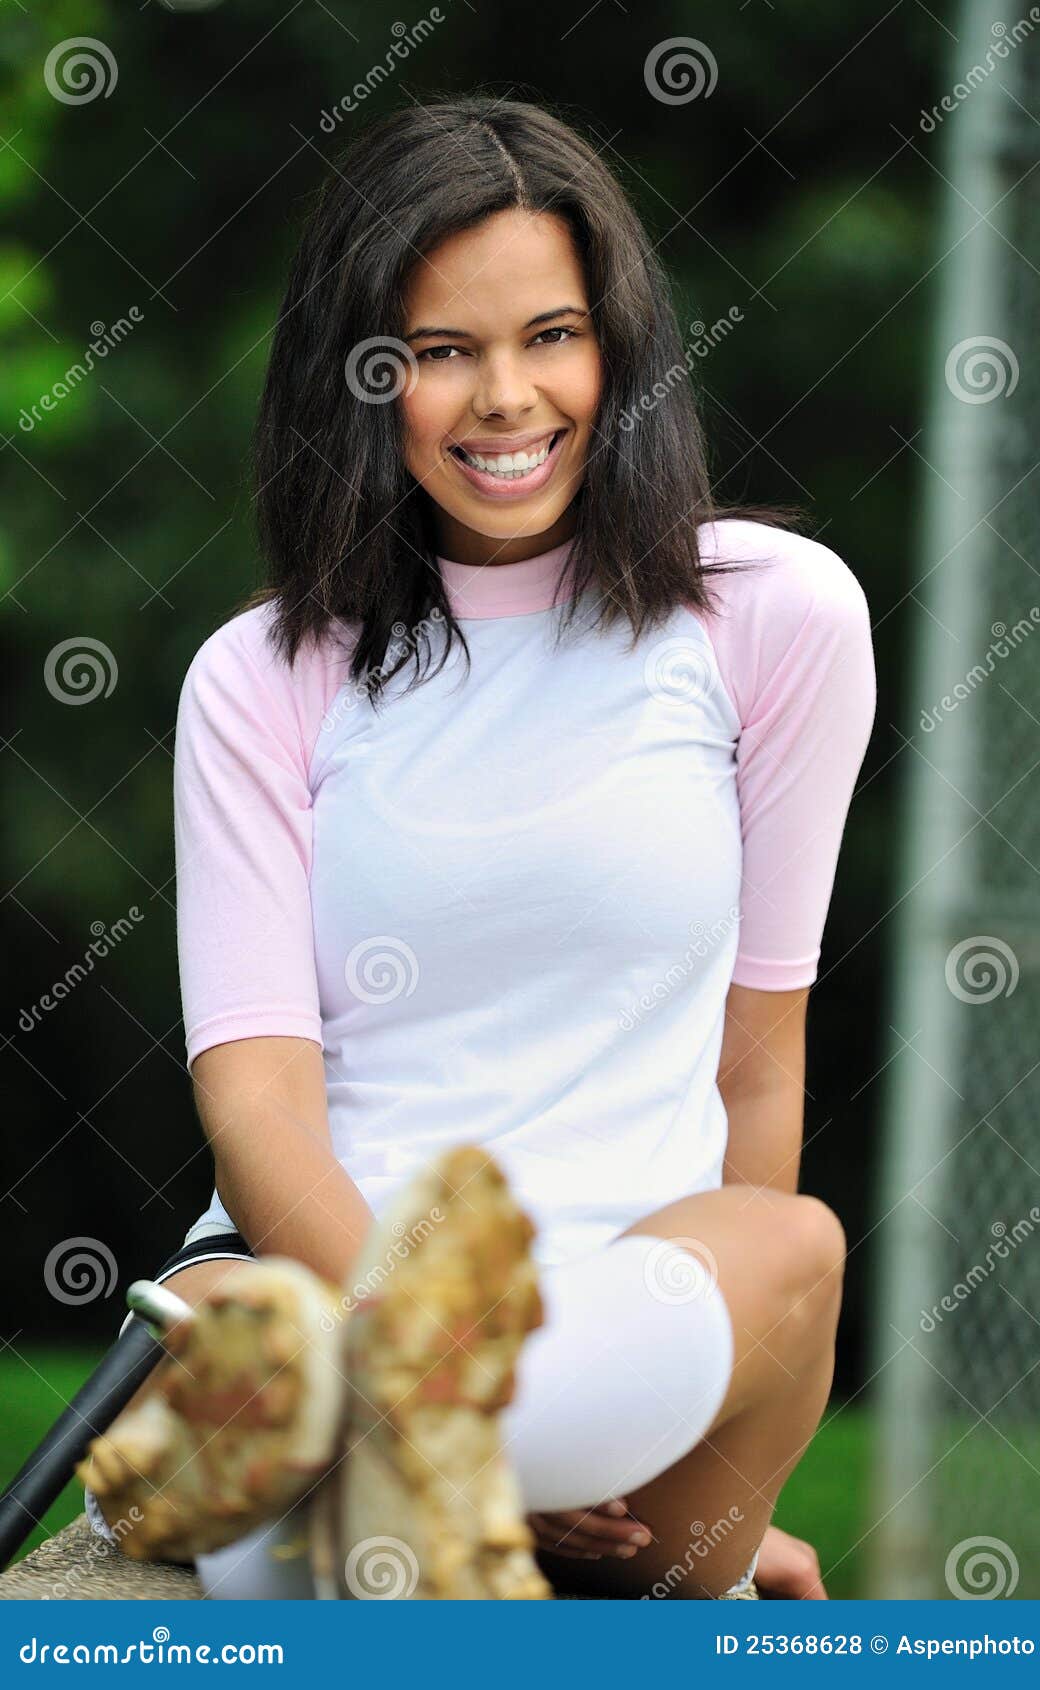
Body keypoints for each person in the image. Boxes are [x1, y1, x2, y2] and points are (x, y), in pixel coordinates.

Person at [83, 94, 875, 1600]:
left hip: (614, 1311)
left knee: (798, 1250)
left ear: (619, 347)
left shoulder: (774, 615)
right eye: (442, 352)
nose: (507, 397)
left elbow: (758, 1060)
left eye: (551, 336)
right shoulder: (263, 677)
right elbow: (257, 1104)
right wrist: (424, 1373)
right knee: (257, 1360)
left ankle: (468, 1478)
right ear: (360, 378)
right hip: (333, 1297)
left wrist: (685, 1448)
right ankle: (410, 1469)